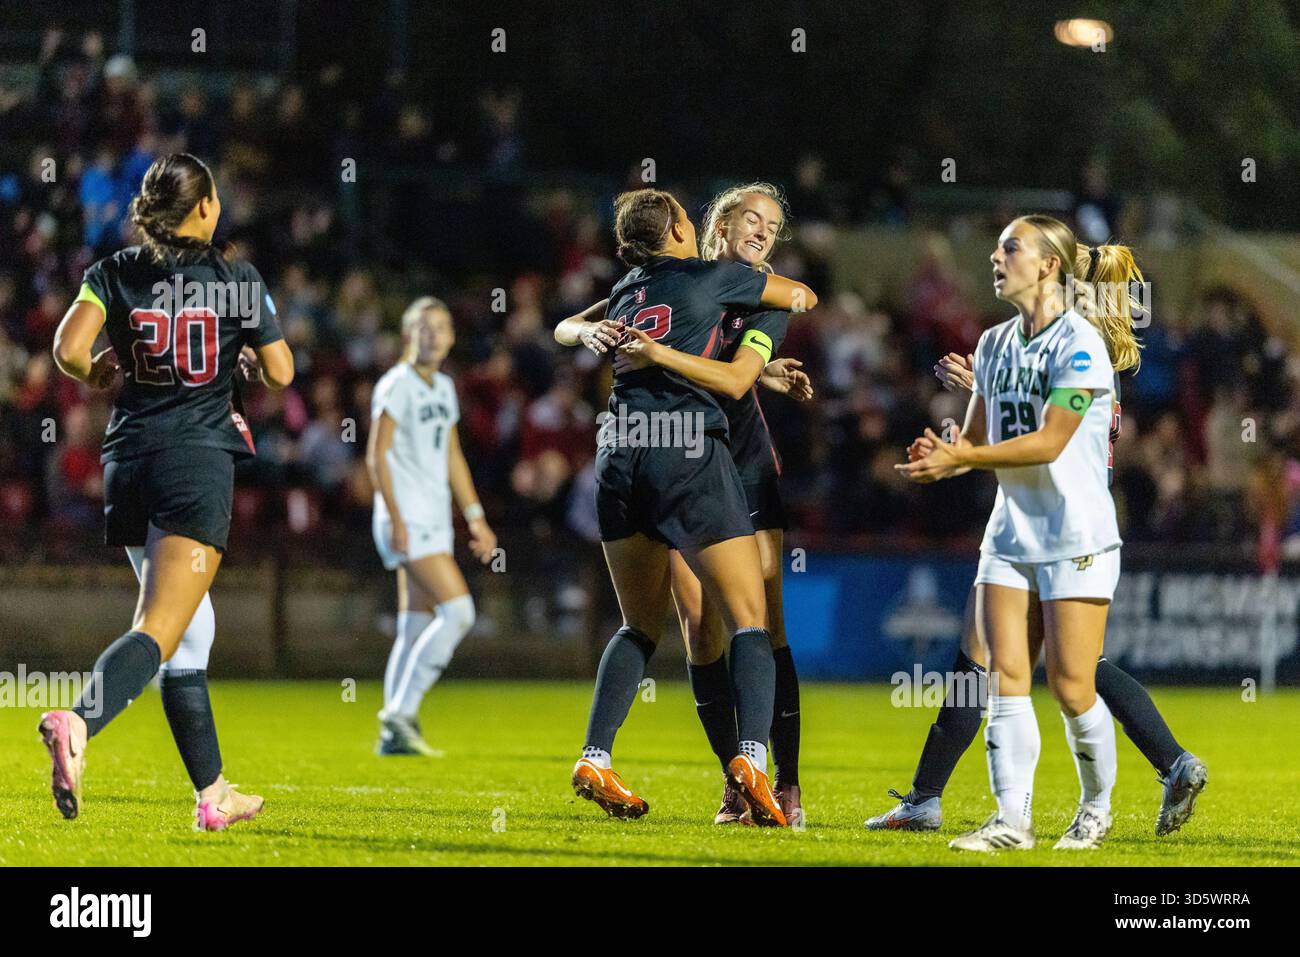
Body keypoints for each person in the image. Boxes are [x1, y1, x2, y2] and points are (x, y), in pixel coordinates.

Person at [40, 152, 294, 830]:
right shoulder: (237, 278)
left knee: (190, 632)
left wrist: (95, 371)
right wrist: (238, 353)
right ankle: (79, 720)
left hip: (128, 460)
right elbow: (282, 370)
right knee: (161, 627)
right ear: (206, 205)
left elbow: (66, 349)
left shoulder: (115, 270)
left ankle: (213, 795)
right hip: (194, 460)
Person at [867, 346, 1206, 837]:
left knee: (978, 664)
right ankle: (1173, 762)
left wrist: (979, 398)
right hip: (1083, 526)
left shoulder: (1072, 350)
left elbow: (1042, 438)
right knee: (1078, 666)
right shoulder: (1100, 363)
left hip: (1037, 520)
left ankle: (933, 802)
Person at [567, 188, 816, 826]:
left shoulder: (637, 284)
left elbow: (735, 367)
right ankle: (744, 770)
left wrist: (762, 370)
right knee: (722, 626)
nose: (763, 231)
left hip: (645, 450)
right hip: (690, 453)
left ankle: (775, 782)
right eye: (750, 219)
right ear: (707, 224)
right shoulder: (713, 280)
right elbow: (798, 298)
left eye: (774, 225)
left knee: (654, 625)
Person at [898, 214, 1147, 851]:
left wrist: (965, 458)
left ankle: (1096, 807)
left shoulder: (1081, 345)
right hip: (1009, 536)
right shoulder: (993, 343)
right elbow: (979, 440)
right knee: (1005, 676)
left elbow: (1050, 443)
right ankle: (1012, 821)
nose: (995, 256)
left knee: (1070, 686)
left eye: (1010, 247)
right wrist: (945, 449)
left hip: (1078, 536)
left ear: (1048, 267)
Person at [366, 296, 497, 755]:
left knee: (414, 625)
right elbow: (375, 455)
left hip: (434, 519)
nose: (434, 335)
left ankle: (393, 734)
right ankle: (399, 713)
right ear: (408, 335)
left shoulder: (443, 387)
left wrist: (475, 517)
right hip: (408, 519)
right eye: (424, 327)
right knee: (460, 612)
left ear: (451, 337)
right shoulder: (396, 385)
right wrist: (396, 517)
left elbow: (452, 455)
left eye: (441, 327)